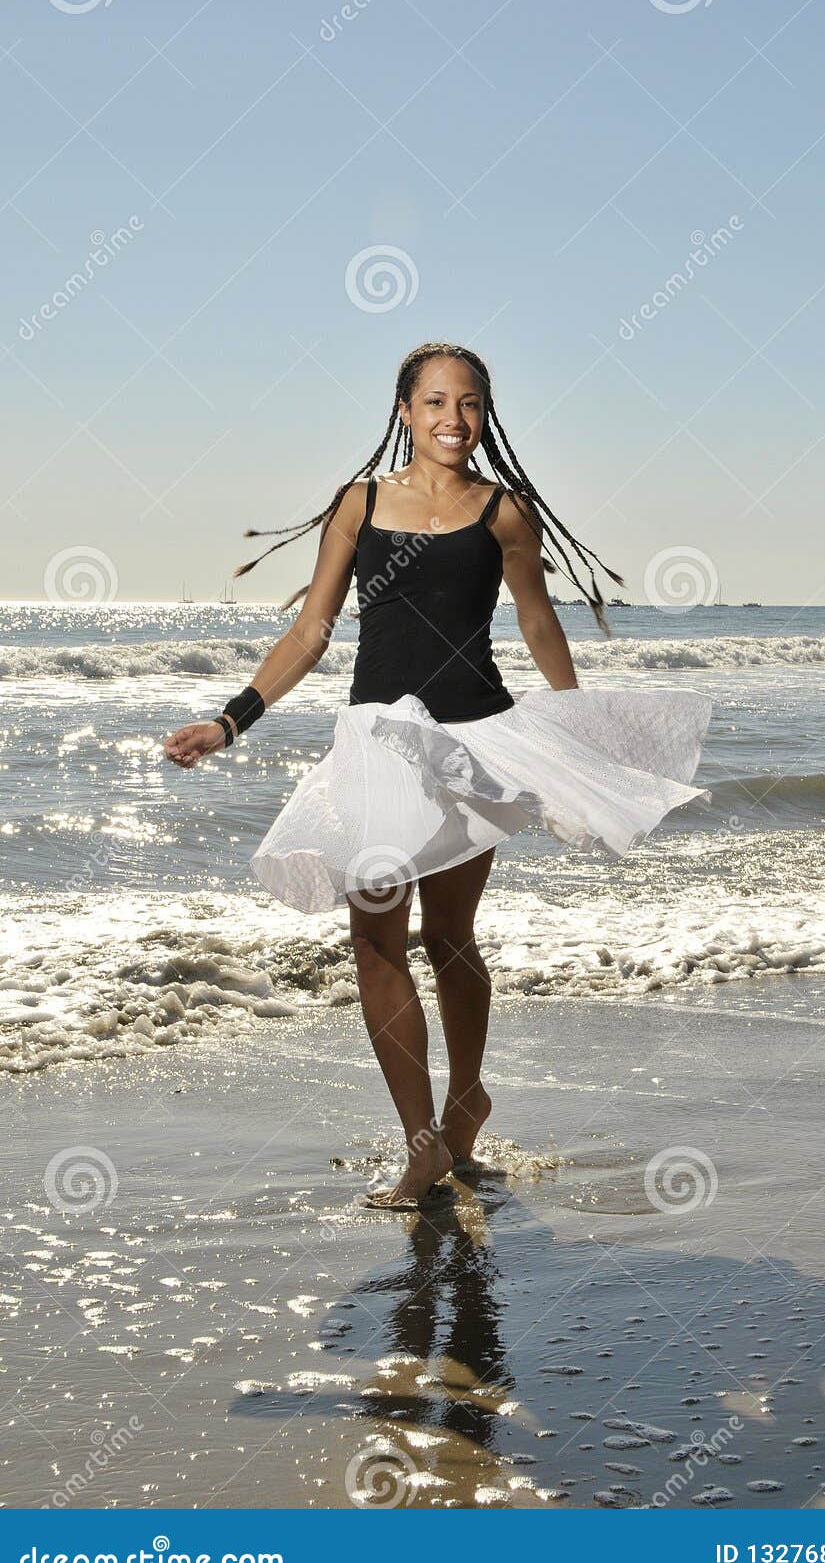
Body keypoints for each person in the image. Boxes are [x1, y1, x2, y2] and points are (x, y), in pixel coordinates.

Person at [163, 342, 712, 1209]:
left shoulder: (503, 513)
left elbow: (537, 627)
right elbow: (311, 632)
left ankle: (467, 1102)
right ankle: (423, 1144)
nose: (453, 419)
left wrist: (577, 732)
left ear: (483, 416)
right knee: (376, 944)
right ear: (404, 411)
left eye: (469, 405)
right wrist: (231, 720)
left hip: (476, 743)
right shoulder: (360, 503)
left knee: (452, 938)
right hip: (378, 743)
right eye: (435, 402)